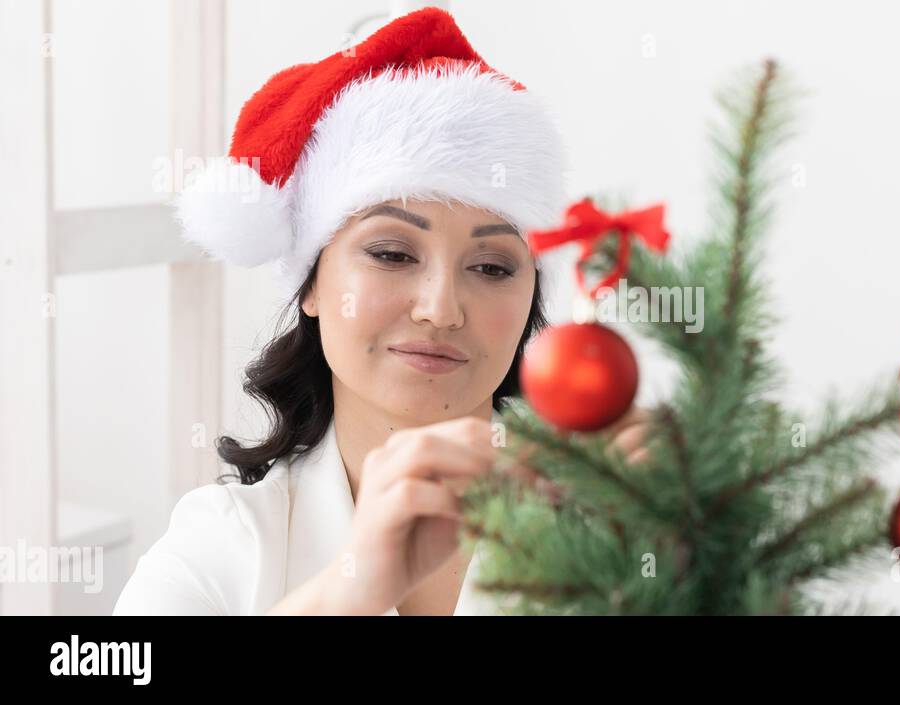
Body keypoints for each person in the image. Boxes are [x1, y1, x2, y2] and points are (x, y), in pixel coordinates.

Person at [112, 7, 651, 616]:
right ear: (311, 285)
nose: (440, 309)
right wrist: (353, 589)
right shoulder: (220, 548)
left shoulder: (614, 535)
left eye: (493, 267)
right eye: (392, 253)